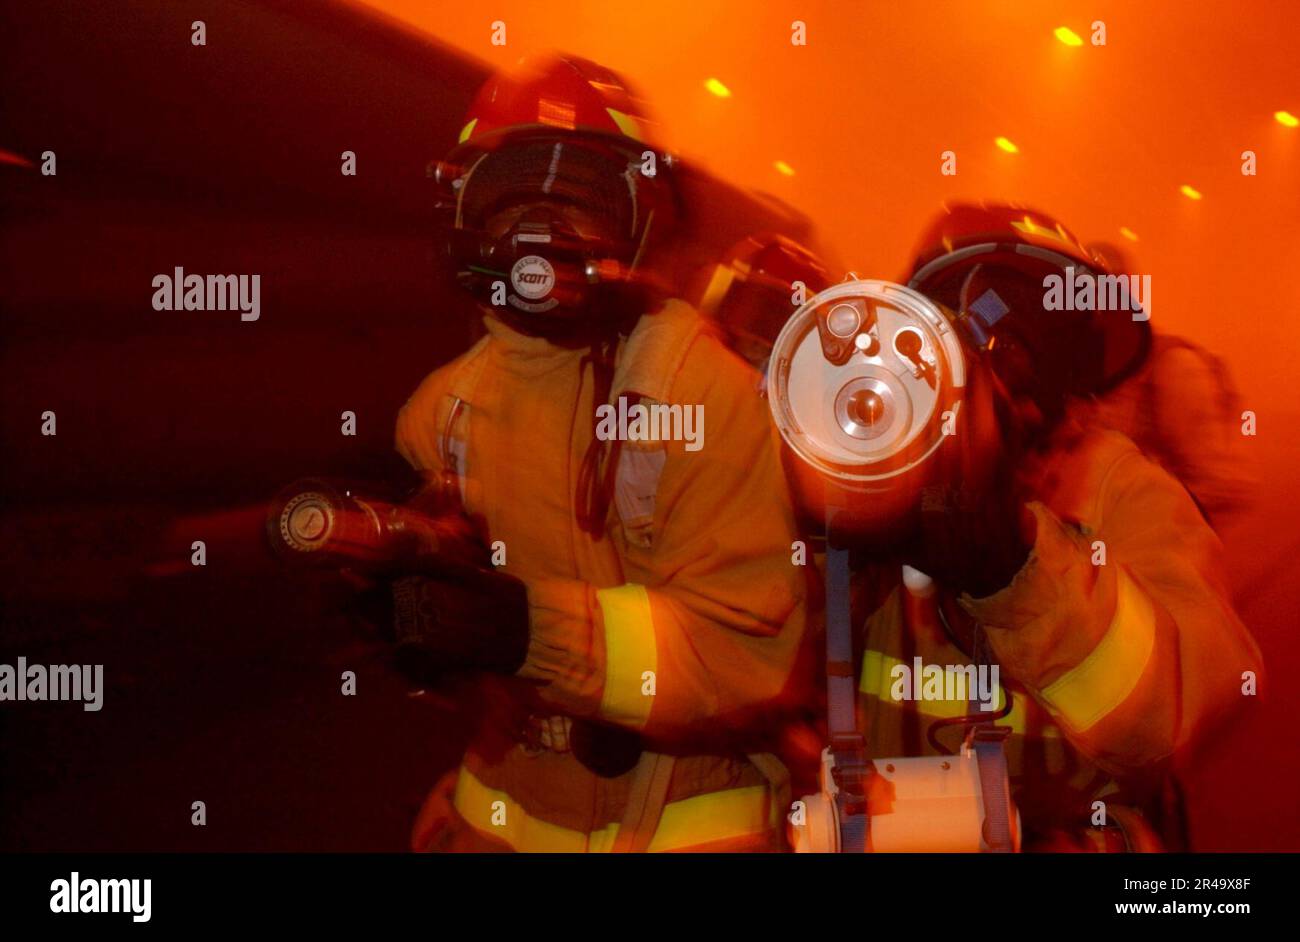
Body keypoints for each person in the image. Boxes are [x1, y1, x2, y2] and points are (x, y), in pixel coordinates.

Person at [392, 54, 811, 852]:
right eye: (512, 199)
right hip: (502, 818)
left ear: (643, 223)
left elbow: (745, 653)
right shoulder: (442, 409)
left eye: (581, 203)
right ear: (465, 213)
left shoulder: (708, 397)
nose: (542, 241)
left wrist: (523, 630)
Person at [846, 203, 1264, 849]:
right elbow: (757, 644)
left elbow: (1176, 713)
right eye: (975, 332)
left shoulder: (1123, 490)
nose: (1005, 375)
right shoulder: (871, 474)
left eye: (1043, 347)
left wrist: (1020, 569)